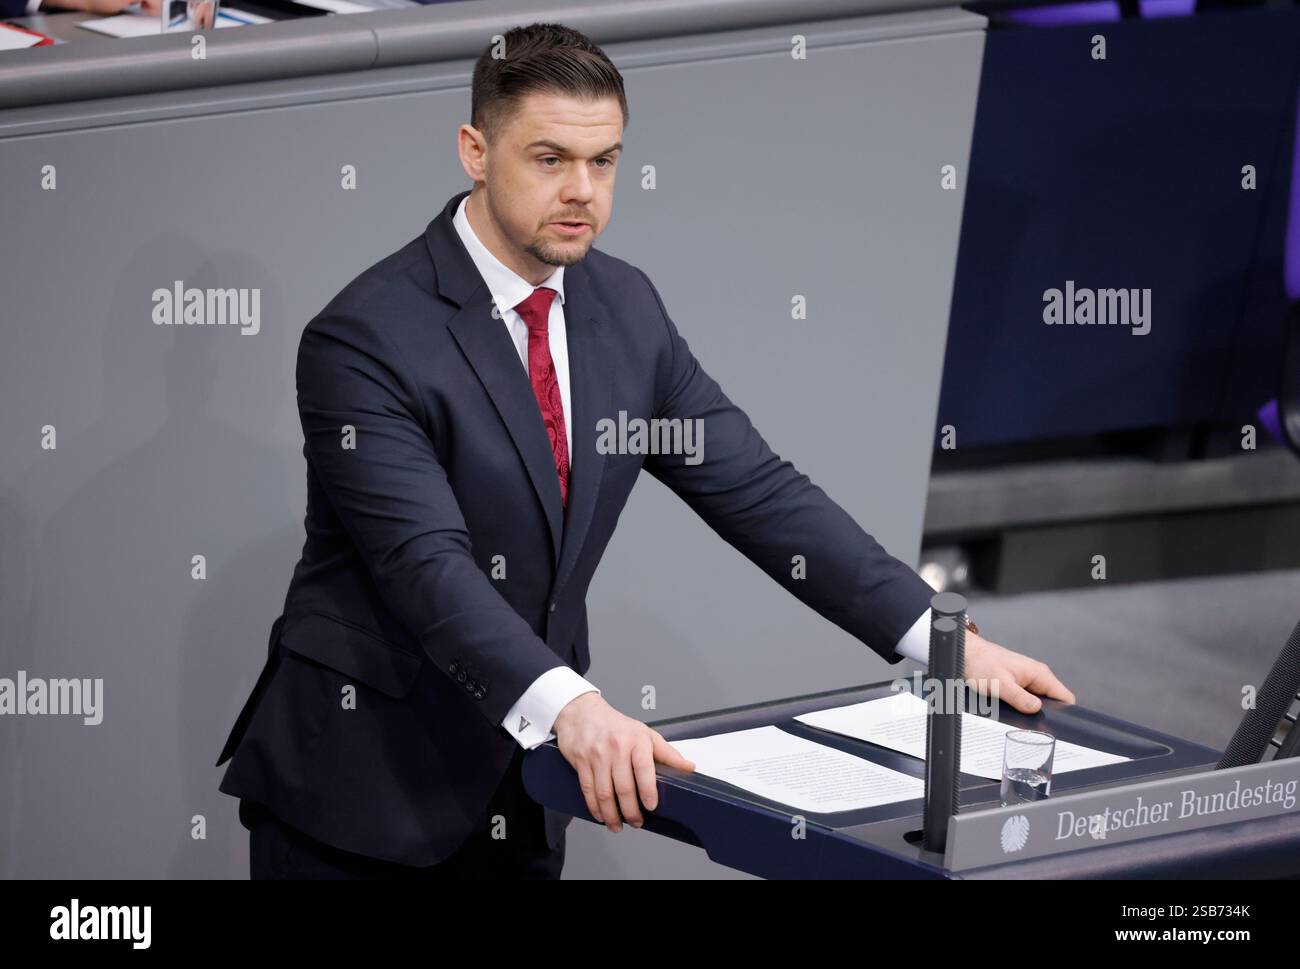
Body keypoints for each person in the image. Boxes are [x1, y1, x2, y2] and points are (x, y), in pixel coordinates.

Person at [217, 20, 1075, 880]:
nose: (582, 191)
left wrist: (944, 645)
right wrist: (575, 706)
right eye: (550, 159)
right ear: (475, 151)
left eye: (605, 161)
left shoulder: (624, 308)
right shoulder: (366, 337)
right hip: (361, 797)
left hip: (525, 783)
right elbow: (425, 566)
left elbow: (761, 492)